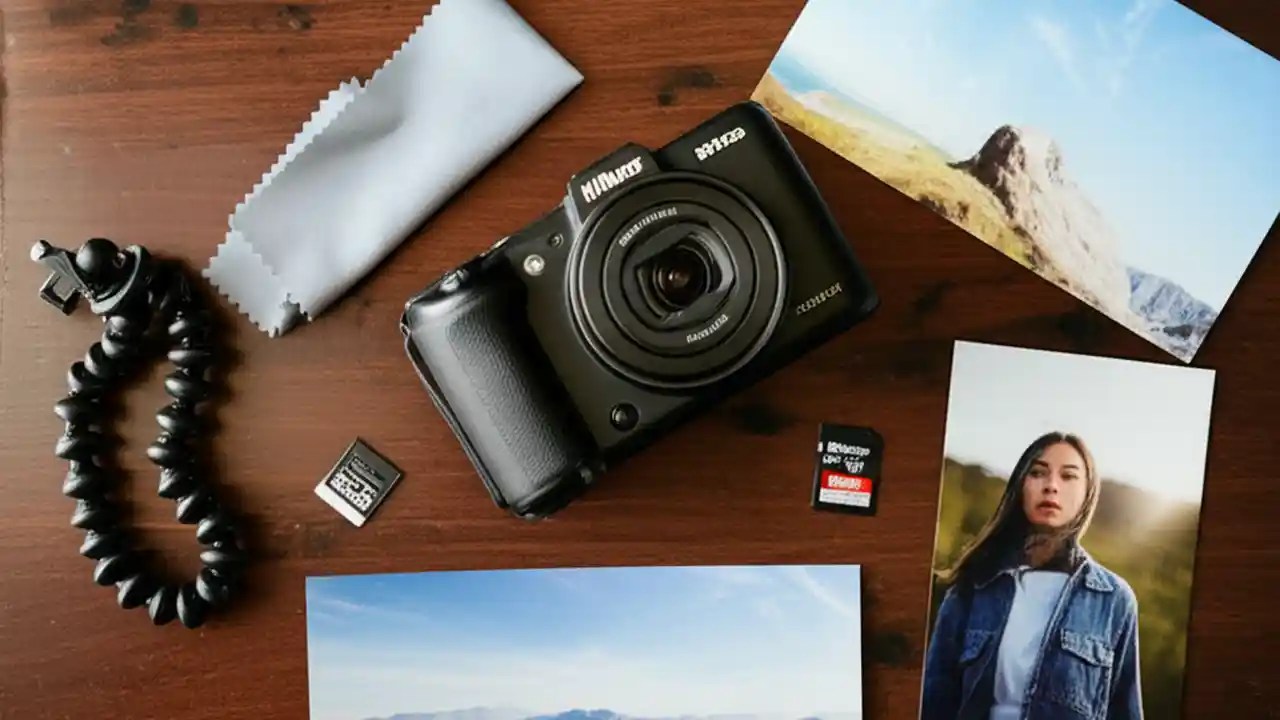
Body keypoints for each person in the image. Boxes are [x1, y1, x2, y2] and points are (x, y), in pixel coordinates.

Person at [921, 432, 1143, 720]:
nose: (1051, 486)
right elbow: (934, 703)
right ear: (1020, 486)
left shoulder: (1114, 600)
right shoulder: (974, 585)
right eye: (1037, 473)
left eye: (1068, 476)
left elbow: (1125, 711)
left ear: (1087, 493)